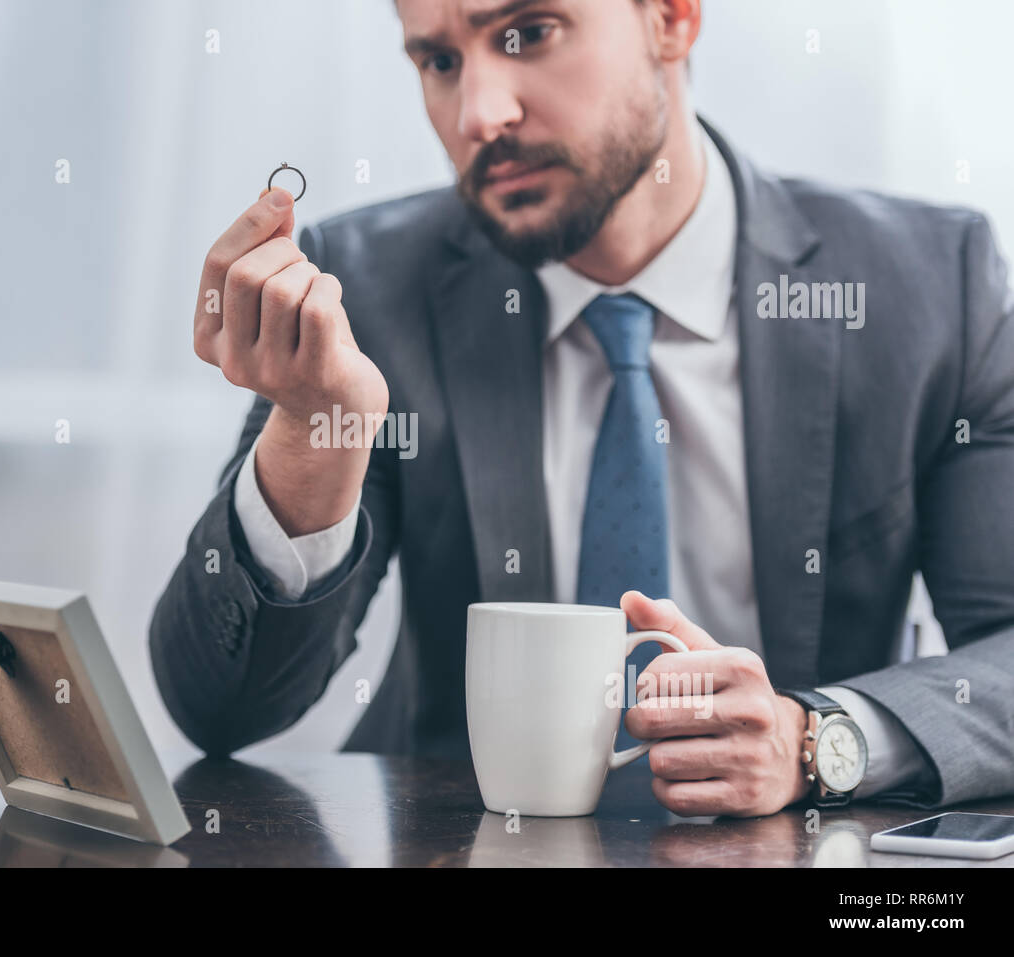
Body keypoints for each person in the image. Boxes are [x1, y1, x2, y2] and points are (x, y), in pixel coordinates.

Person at [150, 0, 1014, 817]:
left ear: (671, 18)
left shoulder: (930, 288)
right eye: (440, 60)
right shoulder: (366, 288)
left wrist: (817, 738)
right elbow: (220, 711)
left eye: (528, 33)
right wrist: (310, 431)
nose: (479, 112)